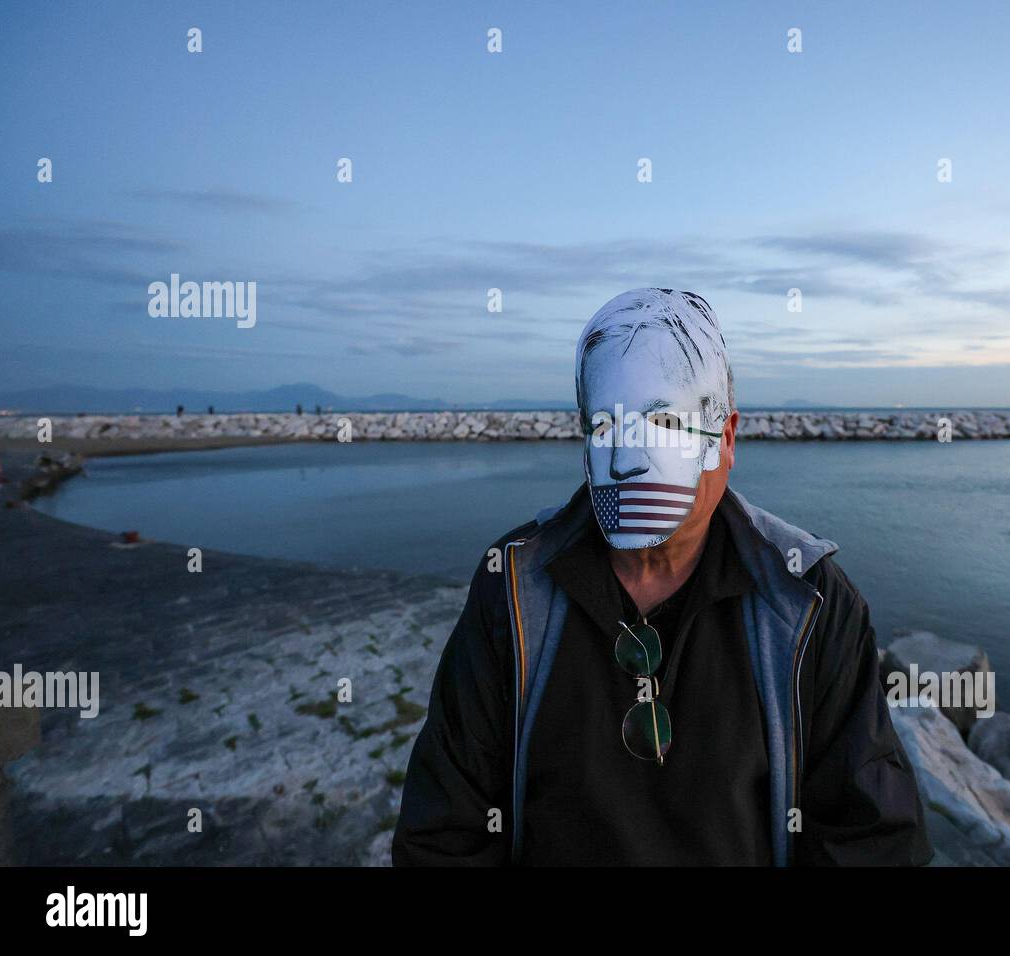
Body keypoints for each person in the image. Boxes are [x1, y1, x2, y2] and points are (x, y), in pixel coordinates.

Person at [394, 288, 931, 867]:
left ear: (724, 438)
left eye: (663, 421)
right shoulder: (513, 587)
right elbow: (445, 829)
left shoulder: (811, 602)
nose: (626, 458)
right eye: (604, 424)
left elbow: (870, 842)